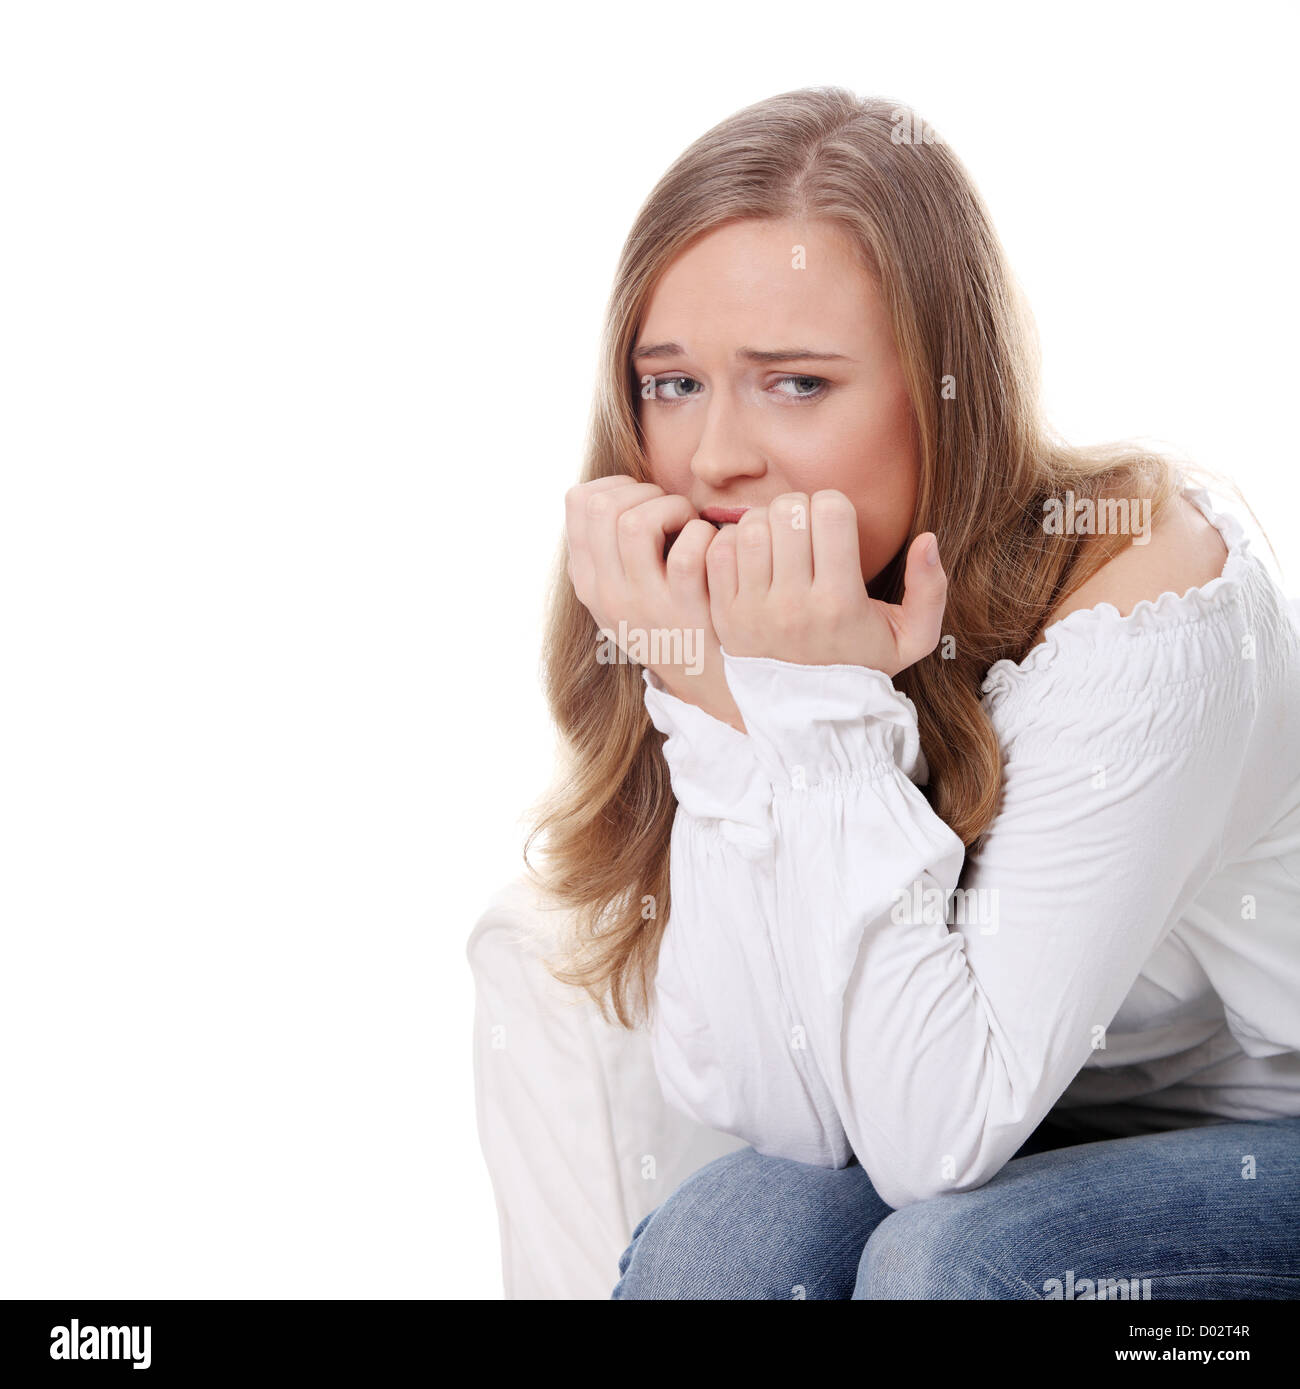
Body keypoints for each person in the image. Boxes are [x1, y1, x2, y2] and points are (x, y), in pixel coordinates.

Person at [477, 87, 1300, 1300]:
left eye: (795, 384)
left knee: (951, 1258)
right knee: (728, 1237)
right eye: (673, 385)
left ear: (944, 389)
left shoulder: (1141, 602)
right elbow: (794, 1110)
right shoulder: (753, 614)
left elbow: (931, 1143)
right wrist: (712, 692)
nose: (713, 460)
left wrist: (810, 712)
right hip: (1037, 1122)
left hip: (1262, 1142)